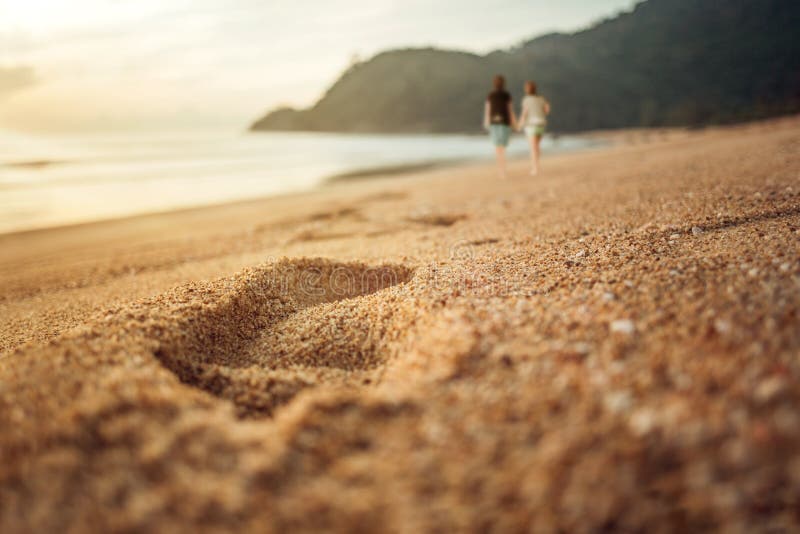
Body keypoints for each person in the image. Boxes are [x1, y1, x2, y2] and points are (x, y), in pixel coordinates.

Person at [483, 75, 517, 179]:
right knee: (502, 148)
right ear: (504, 83)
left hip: (494, 123)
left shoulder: (490, 95)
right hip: (504, 123)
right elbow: (510, 110)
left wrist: (486, 122)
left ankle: (501, 171)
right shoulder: (507, 95)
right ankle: (503, 171)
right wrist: (514, 123)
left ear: (494, 83)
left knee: (498, 149)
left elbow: (488, 110)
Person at [518, 81, 551, 176]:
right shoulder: (541, 99)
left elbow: (524, 113)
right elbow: (547, 111)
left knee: (533, 148)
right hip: (541, 124)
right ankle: (537, 166)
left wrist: (520, 124)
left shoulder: (526, 99)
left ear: (527, 90)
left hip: (531, 125)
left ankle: (535, 168)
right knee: (536, 146)